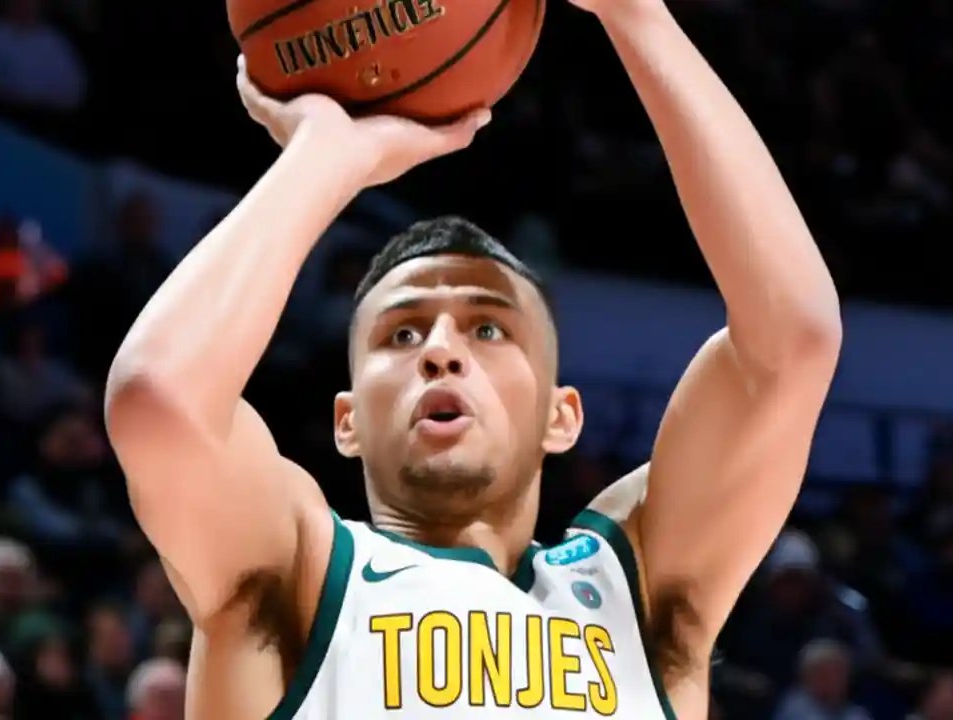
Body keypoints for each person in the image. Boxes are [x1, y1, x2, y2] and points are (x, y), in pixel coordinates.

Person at [104, 0, 841, 717]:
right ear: (348, 419)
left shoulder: (634, 593)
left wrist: (638, 15)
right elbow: (159, 400)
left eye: (489, 330)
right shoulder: (298, 575)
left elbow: (794, 340)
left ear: (562, 414)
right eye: (401, 333)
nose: (441, 352)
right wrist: (327, 158)